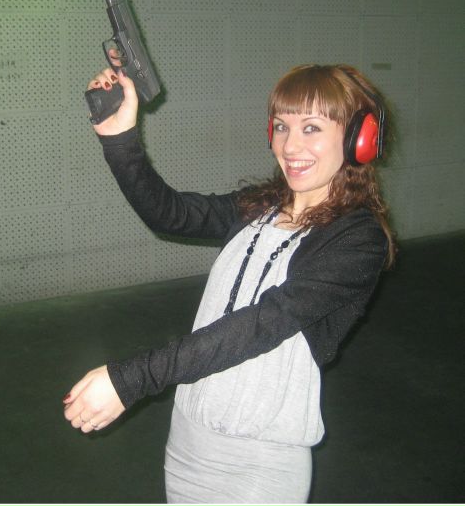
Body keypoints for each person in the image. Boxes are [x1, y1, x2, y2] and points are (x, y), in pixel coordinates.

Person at [63, 63, 395, 503]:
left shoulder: (357, 240)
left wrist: (133, 379)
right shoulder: (260, 207)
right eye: (281, 126)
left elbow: (261, 324)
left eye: (312, 128)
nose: (290, 145)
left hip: (259, 460)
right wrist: (119, 139)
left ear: (359, 138)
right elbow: (169, 213)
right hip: (187, 442)